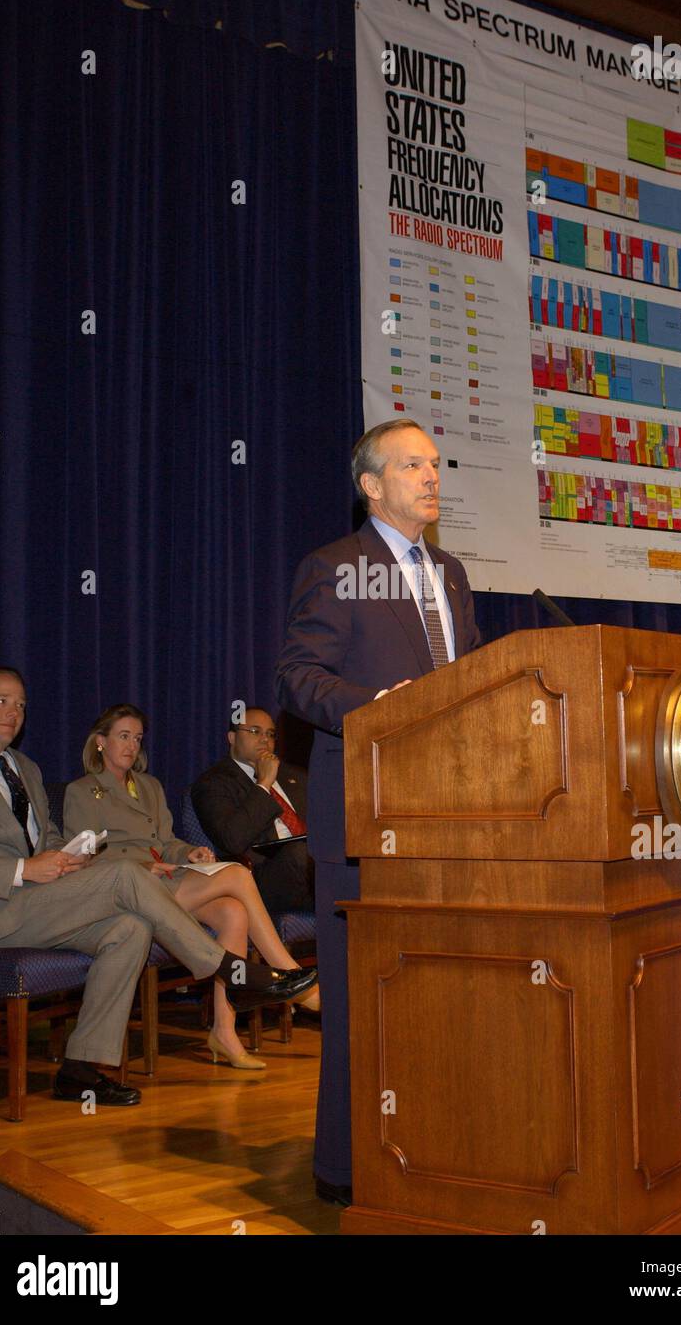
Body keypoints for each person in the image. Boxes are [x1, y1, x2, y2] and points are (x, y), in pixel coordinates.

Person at [275, 419, 481, 1203]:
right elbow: (298, 675)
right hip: (365, 817)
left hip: (451, 820)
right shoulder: (334, 567)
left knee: (437, 997)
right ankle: (346, 1170)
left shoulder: (451, 573)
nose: (431, 476)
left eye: (435, 463)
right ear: (370, 485)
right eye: (412, 465)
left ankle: (432, 1149)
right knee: (365, 1001)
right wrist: (377, 707)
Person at [0, 667, 309, 1107]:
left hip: (42, 902)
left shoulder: (25, 768)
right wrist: (21, 868)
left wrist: (66, 857)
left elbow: (47, 838)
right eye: (1, 701)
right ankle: (230, 972)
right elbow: (15, 860)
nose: (13, 712)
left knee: (130, 929)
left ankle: (80, 1071)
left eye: (21, 705)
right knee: (128, 874)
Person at [64, 704, 318, 1071]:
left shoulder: (148, 786)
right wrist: (141, 866)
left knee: (233, 912)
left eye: (137, 738)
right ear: (100, 742)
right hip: (127, 889)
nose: (132, 746)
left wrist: (190, 851)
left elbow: (166, 841)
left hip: (168, 880)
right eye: (123, 736)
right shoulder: (82, 791)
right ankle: (290, 976)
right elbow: (83, 858)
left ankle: (225, 1031)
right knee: (236, 875)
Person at [191, 706, 314, 915]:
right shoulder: (213, 783)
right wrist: (264, 783)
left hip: (312, 871)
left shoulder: (296, 777)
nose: (265, 739)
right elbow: (232, 840)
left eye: (270, 734)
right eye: (255, 731)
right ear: (231, 737)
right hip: (261, 877)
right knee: (300, 852)